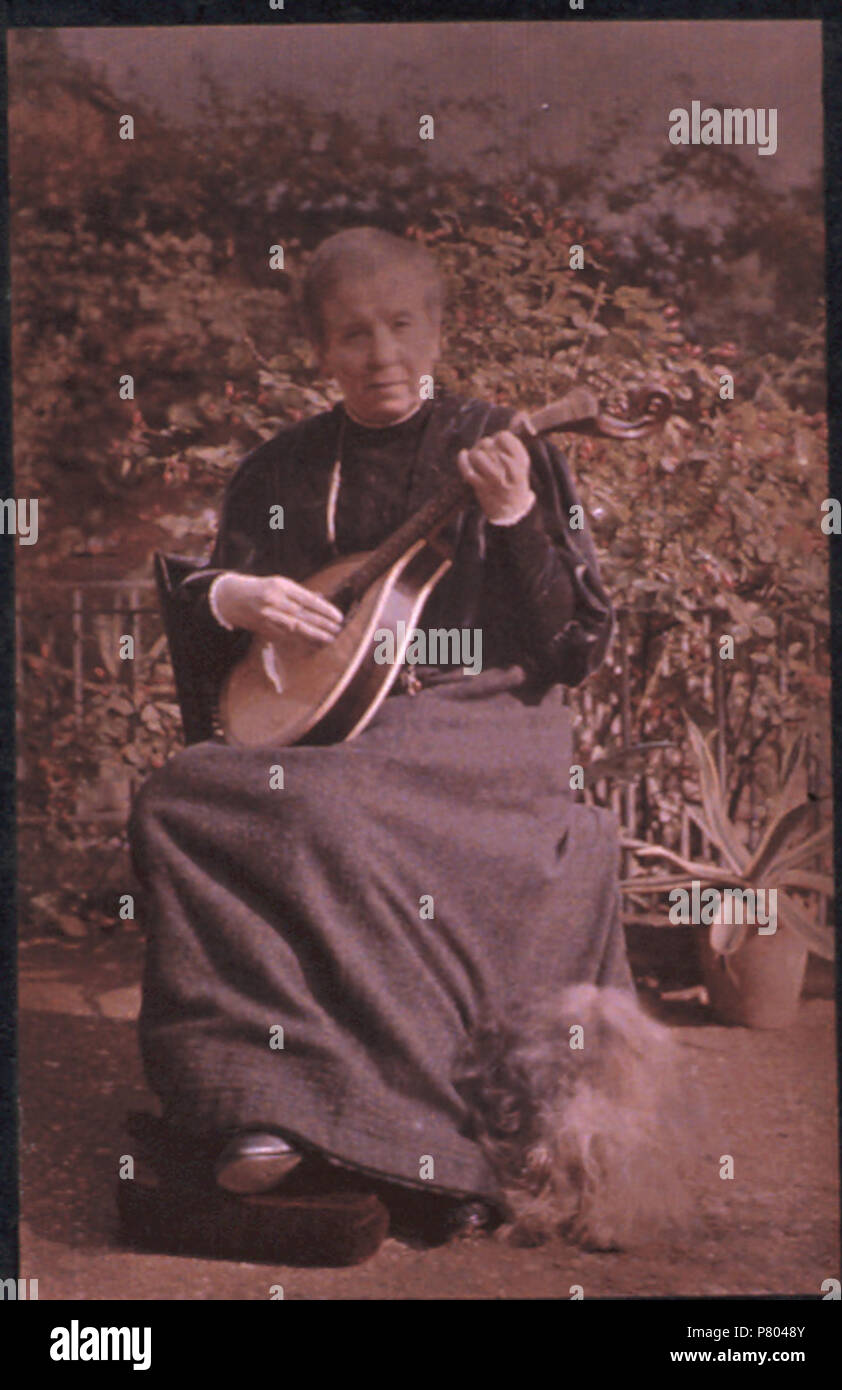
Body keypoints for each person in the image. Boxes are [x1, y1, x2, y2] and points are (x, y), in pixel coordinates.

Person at [128, 226, 632, 1237]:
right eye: (352, 334)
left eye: (402, 325)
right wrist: (239, 597)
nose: (382, 355)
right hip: (341, 728)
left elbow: (573, 642)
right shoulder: (281, 467)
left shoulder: (504, 438)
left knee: (329, 806)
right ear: (319, 349)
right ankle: (263, 1102)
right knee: (180, 795)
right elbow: (218, 616)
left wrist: (523, 512)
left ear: (439, 328)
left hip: (485, 719)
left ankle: (402, 1129)